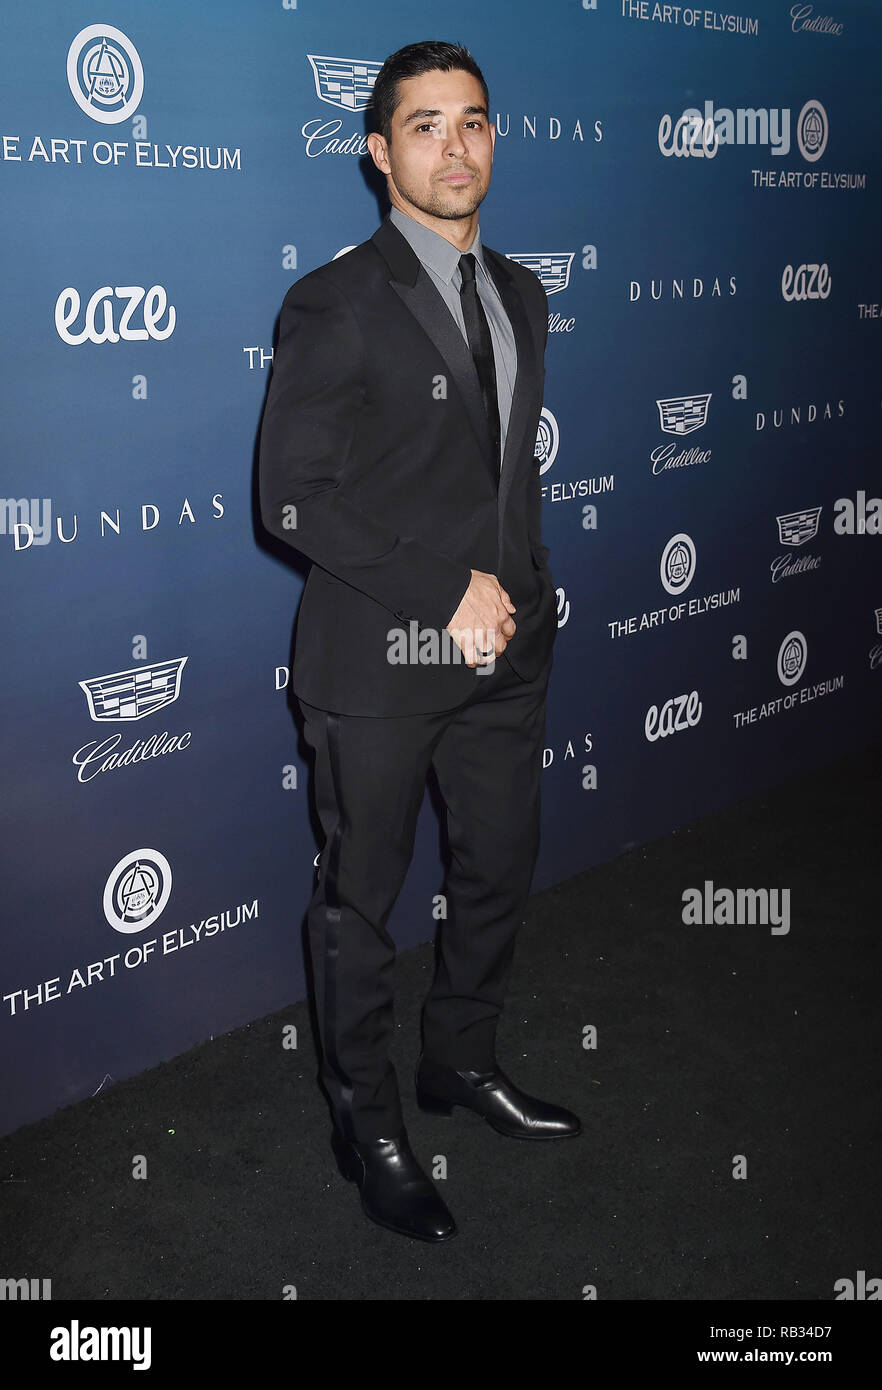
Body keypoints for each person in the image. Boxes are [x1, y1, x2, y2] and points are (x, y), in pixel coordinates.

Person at [259, 39, 580, 1244]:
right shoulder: (334, 302)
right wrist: (444, 593)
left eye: (475, 121)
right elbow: (290, 497)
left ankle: (460, 1063)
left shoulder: (525, 292)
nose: (457, 145)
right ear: (379, 153)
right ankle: (369, 1122)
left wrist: (524, 592)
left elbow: (497, 475)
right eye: (427, 125)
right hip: (382, 668)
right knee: (361, 903)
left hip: (506, 655)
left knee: (496, 866)